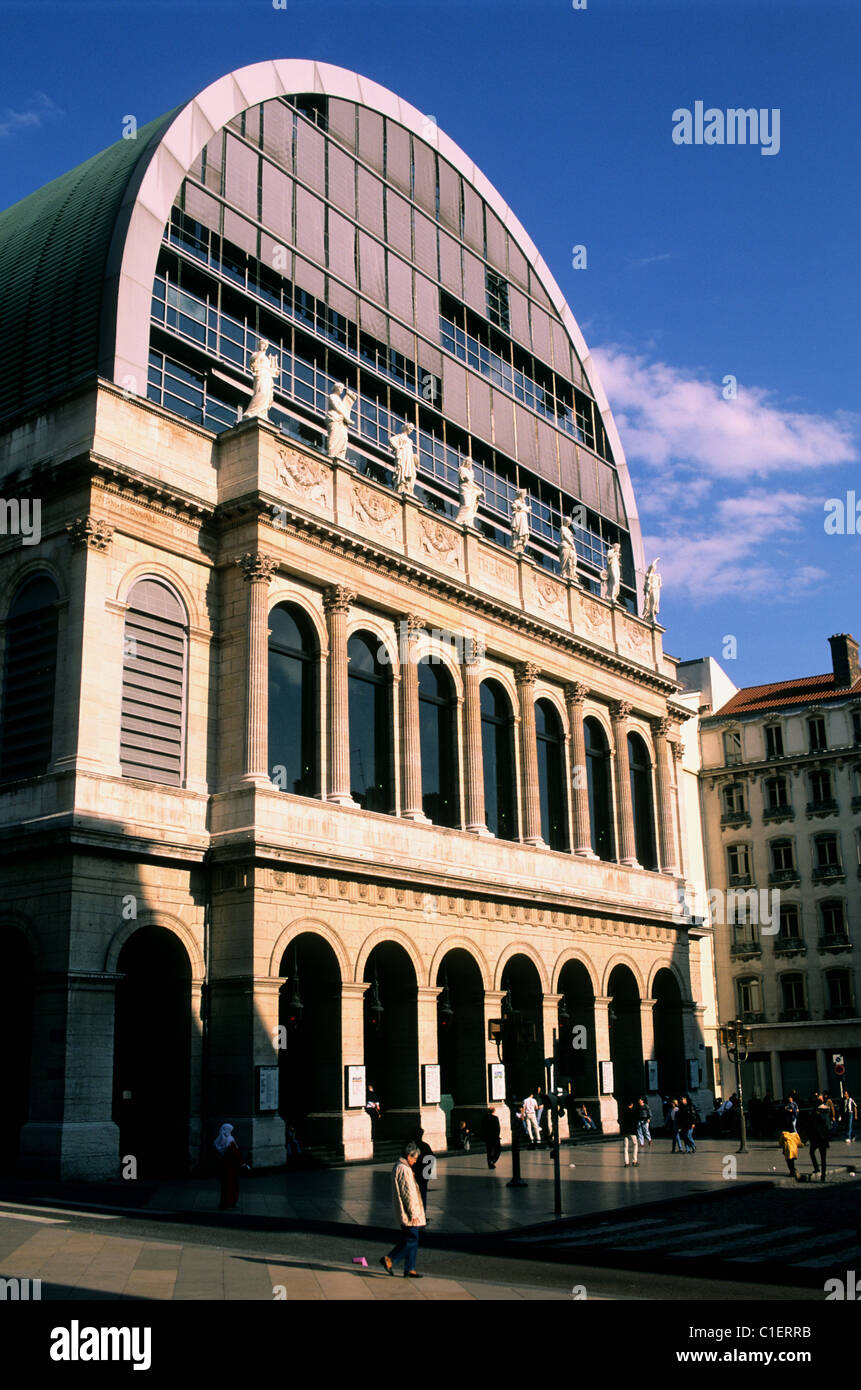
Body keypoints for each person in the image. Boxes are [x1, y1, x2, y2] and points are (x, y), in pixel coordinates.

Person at [380, 1141, 426, 1278]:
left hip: (405, 1210)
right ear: (408, 1156)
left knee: (411, 1238)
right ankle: (390, 1259)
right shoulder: (404, 1169)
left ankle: (410, 1268)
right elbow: (408, 1194)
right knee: (412, 1237)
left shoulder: (399, 1166)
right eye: (415, 1158)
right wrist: (413, 1213)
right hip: (409, 1212)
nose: (415, 1161)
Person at [244, 339, 279, 420]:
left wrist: (274, 365)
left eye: (264, 345)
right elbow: (252, 361)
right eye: (261, 344)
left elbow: (272, 371)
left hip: (267, 376)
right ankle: (251, 412)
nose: (262, 346)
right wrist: (260, 353)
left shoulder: (267, 359)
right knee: (261, 392)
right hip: (260, 374)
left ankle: (262, 413)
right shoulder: (256, 354)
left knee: (266, 395)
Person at [214, 1122, 243, 1210]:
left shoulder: (217, 1141)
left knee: (225, 1185)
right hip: (231, 1167)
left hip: (222, 1167)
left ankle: (224, 1203)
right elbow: (236, 1154)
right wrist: (242, 1163)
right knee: (232, 1185)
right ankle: (231, 1202)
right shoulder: (230, 1140)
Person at [326, 381, 357, 461]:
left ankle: (340, 456)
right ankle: (332, 453)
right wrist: (346, 418)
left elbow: (343, 408)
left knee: (343, 437)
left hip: (340, 420)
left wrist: (349, 398)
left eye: (342, 388)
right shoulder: (332, 396)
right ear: (336, 388)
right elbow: (337, 407)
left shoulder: (339, 399)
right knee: (334, 435)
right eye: (340, 388)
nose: (341, 390)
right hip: (334, 418)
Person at [807, 1096, 831, 1182]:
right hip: (822, 1138)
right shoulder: (824, 1112)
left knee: (814, 1153)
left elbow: (811, 1125)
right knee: (822, 1157)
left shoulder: (818, 1113)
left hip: (818, 1138)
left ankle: (819, 1170)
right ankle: (822, 1174)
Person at [389, 421, 417, 495]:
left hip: (409, 456)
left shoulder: (410, 440)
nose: (411, 431)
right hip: (403, 454)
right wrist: (398, 448)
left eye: (412, 429)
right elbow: (391, 440)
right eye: (410, 429)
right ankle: (402, 485)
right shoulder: (400, 436)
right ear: (406, 428)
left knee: (411, 472)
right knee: (403, 470)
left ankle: (408, 486)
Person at [412, 1127, 434, 1221]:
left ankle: (414, 1216)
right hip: (422, 1176)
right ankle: (422, 1215)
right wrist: (427, 1174)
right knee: (422, 1196)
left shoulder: (411, 1147)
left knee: (413, 1196)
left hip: (413, 1176)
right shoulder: (425, 1146)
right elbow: (431, 1160)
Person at [620, 1099, 640, 1166]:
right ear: (632, 1105)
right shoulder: (633, 1112)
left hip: (625, 1131)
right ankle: (634, 1161)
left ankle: (626, 1162)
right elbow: (636, 1122)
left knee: (625, 1147)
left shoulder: (623, 1112)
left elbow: (620, 1121)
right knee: (635, 1144)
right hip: (632, 1131)